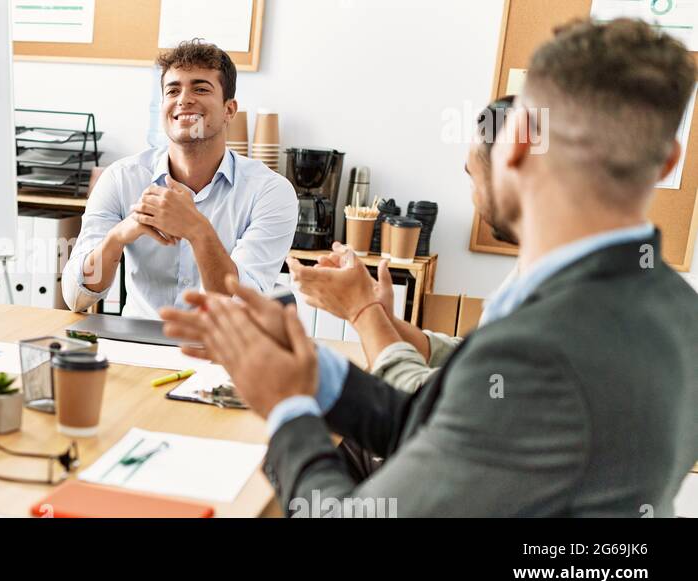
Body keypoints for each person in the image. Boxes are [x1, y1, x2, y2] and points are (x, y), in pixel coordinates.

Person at [162, 19, 698, 516]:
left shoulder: (541, 351)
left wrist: (286, 407)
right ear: (670, 159)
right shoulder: (676, 308)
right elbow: (449, 427)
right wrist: (314, 375)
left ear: (513, 146)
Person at [288, 96, 517, 393]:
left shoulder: (558, 297)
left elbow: (431, 402)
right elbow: (478, 361)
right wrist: (385, 321)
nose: (474, 199)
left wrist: (362, 311)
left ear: (514, 163)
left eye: (474, 179)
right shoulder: (536, 270)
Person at [60, 40, 298, 319]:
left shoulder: (270, 191)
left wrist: (197, 230)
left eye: (200, 88)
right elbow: (76, 297)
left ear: (229, 110)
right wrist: (117, 237)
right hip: (138, 345)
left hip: (223, 348)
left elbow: (241, 306)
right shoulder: (121, 178)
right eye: (173, 90)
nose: (184, 99)